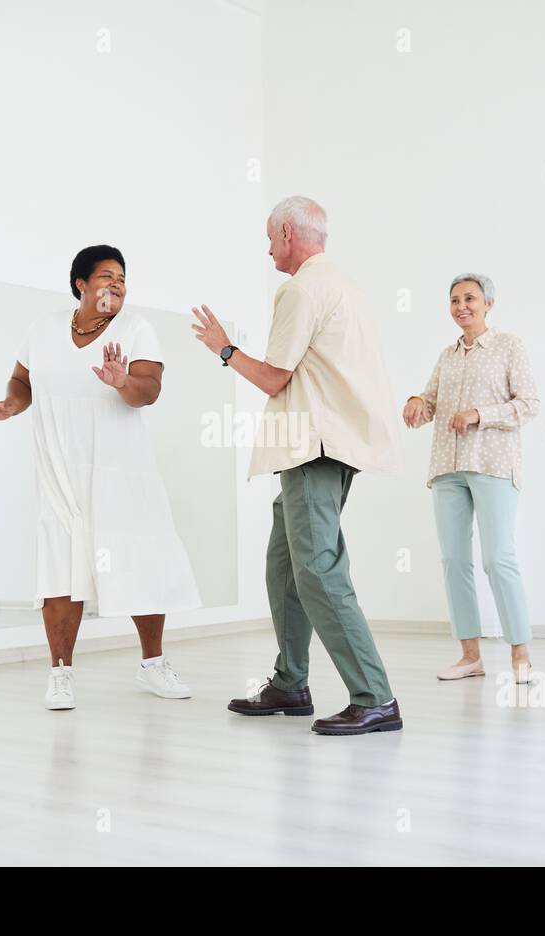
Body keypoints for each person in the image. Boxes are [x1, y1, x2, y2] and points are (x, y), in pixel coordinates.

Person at [192, 196, 402, 735]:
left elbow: (273, 377)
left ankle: (375, 697)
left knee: (318, 572)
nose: (267, 250)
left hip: (314, 446)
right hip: (327, 444)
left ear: (288, 231)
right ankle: (290, 683)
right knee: (284, 567)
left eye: (269, 238)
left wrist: (223, 349)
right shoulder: (346, 288)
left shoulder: (302, 288)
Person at [0, 245, 200, 710]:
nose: (117, 284)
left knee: (140, 561)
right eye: (107, 276)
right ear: (81, 284)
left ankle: (152, 665)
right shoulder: (44, 328)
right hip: (58, 467)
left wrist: (121, 382)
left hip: (121, 468)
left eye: (122, 278)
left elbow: (148, 392)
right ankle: (60, 674)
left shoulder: (136, 328)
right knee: (59, 565)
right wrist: (11, 405)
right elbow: (22, 381)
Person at [403, 273, 540, 683]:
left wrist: (480, 414)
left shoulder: (508, 346)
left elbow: (529, 403)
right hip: (447, 467)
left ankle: (521, 654)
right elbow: (429, 399)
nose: (461, 306)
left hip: (493, 464)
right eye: (455, 300)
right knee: (453, 561)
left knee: (498, 558)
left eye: (470, 298)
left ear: (488, 304)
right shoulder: (447, 356)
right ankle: (470, 656)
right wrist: (415, 403)